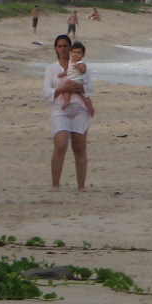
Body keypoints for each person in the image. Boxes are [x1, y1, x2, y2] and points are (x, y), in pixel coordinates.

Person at [44, 33, 93, 190]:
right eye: (60, 46)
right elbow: (46, 92)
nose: (63, 49)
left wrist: (80, 88)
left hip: (80, 109)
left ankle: (81, 186)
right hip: (60, 109)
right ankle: (55, 184)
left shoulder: (81, 66)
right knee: (61, 144)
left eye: (66, 46)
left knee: (79, 148)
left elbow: (91, 88)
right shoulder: (52, 69)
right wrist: (62, 89)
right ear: (56, 49)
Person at [68, 41, 96, 117]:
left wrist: (79, 67)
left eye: (78, 53)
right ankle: (66, 102)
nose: (76, 54)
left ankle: (90, 108)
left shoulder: (81, 63)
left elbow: (83, 71)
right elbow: (68, 71)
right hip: (72, 79)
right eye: (74, 52)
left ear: (83, 55)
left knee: (84, 95)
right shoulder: (70, 62)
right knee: (75, 93)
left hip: (78, 81)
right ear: (70, 53)